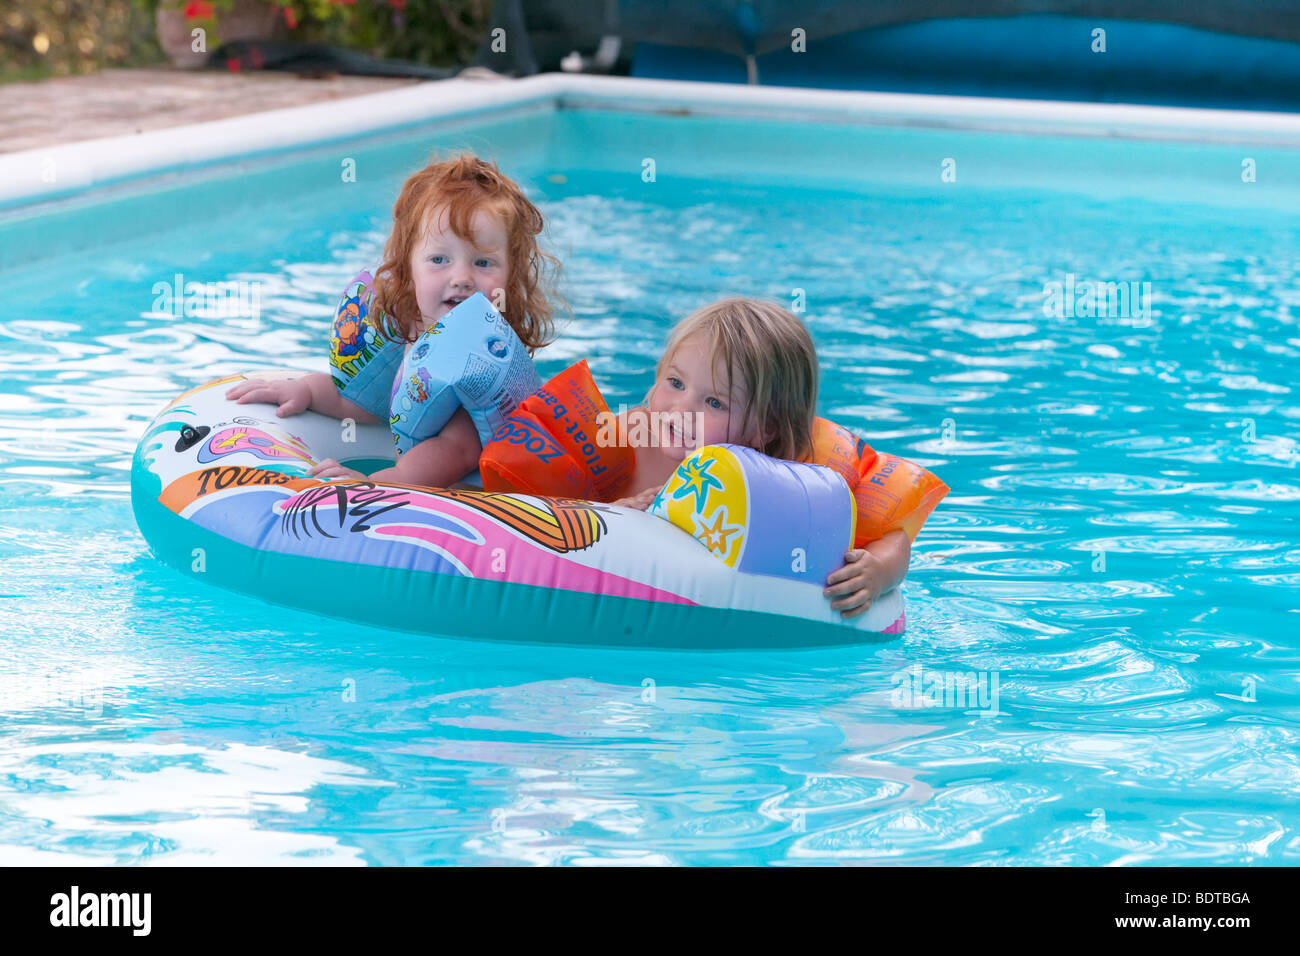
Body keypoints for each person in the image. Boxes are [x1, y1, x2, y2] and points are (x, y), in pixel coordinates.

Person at [225, 153, 558, 487]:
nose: (462, 277)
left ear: (511, 280)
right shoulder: (413, 333)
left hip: (485, 505)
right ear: (407, 270)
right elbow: (364, 405)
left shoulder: (480, 363)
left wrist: (380, 482)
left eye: (484, 263)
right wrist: (305, 392)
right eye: (439, 259)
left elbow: (457, 451)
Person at [612, 297, 911, 619]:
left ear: (766, 427)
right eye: (675, 383)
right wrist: (610, 513)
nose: (681, 409)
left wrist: (878, 570)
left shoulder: (790, 482)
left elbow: (893, 537)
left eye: (714, 402)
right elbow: (558, 504)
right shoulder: (628, 439)